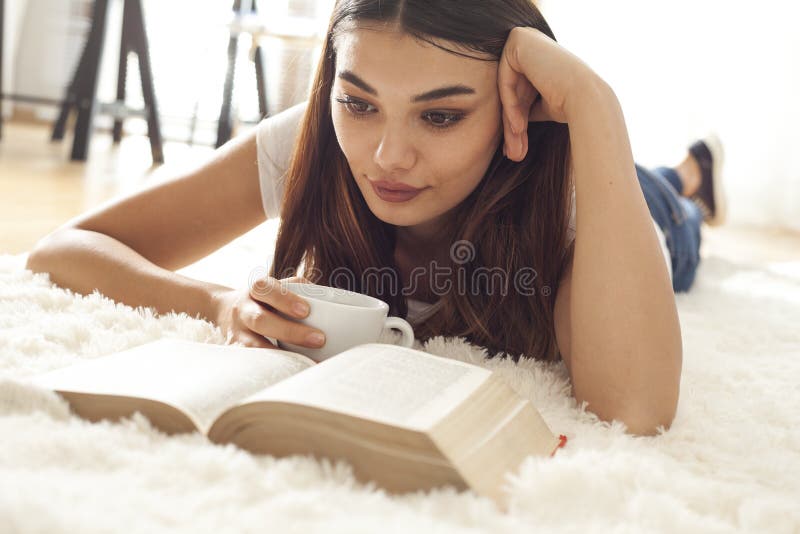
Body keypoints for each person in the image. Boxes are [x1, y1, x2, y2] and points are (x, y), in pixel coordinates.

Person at [25, 0, 725, 435]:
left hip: (631, 200)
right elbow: (64, 249)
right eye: (358, 102)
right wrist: (217, 302)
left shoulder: (572, 185)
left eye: (441, 115)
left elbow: (634, 410)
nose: (388, 157)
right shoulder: (312, 141)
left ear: (516, 103)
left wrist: (597, 107)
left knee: (670, 204)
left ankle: (693, 175)